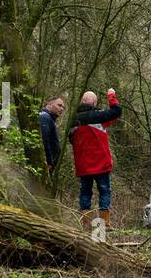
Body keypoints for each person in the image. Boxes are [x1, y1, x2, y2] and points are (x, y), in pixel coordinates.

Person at [69, 88, 121, 230]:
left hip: (83, 166)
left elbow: (71, 140)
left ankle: (85, 224)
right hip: (101, 164)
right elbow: (116, 112)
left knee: (85, 193)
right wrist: (111, 96)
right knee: (104, 191)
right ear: (93, 102)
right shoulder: (98, 116)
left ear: (82, 101)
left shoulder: (72, 120)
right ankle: (105, 224)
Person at [37, 97, 65, 178]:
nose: (62, 109)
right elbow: (44, 140)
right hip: (45, 164)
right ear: (50, 104)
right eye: (59, 105)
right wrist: (48, 162)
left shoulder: (50, 119)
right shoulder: (45, 117)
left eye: (63, 107)